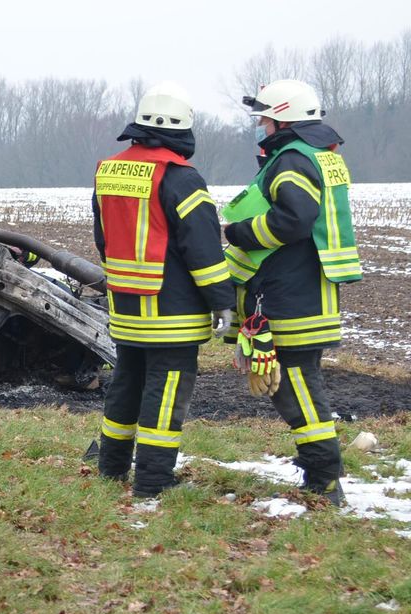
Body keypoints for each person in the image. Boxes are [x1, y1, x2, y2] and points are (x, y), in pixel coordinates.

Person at [221, 79, 362, 506]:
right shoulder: (321, 155)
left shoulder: (293, 161)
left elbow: (295, 220)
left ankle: (324, 479)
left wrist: (239, 232)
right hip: (310, 289)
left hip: (290, 294)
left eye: (265, 119)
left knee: (295, 386)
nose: (262, 127)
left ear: (284, 119)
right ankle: (321, 472)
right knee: (297, 384)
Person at [92, 82, 235, 498]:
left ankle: (112, 468)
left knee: (127, 383)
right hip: (173, 312)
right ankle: (153, 481)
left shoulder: (108, 171)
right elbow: (204, 252)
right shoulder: (182, 179)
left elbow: (103, 240)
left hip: (125, 309)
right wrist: (223, 302)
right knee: (165, 390)